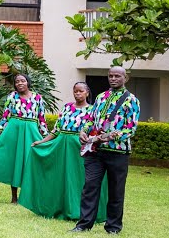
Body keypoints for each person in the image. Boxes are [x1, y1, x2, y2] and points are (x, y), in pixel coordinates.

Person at [21, 82, 108, 222]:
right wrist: (42, 142)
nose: (78, 94)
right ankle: (59, 207)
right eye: (75, 91)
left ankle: (79, 211)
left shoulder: (92, 110)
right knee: (61, 178)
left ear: (87, 93)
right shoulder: (67, 107)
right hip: (62, 146)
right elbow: (56, 130)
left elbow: (95, 130)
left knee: (79, 178)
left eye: (81, 91)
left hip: (79, 147)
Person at [72, 67, 140, 234]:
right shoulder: (101, 97)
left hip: (118, 153)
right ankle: (83, 225)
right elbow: (90, 119)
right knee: (89, 188)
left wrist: (111, 137)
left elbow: (130, 129)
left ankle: (113, 228)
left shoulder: (131, 100)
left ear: (126, 78)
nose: (113, 78)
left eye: (117, 76)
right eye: (110, 76)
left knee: (116, 191)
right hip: (95, 151)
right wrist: (84, 131)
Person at [0, 73, 49, 204]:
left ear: (28, 82)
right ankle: (14, 197)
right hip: (13, 130)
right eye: (17, 81)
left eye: (22, 81)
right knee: (13, 161)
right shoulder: (12, 97)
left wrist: (46, 138)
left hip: (31, 130)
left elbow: (42, 119)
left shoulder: (37, 98)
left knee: (29, 161)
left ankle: (27, 196)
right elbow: (5, 117)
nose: (20, 83)